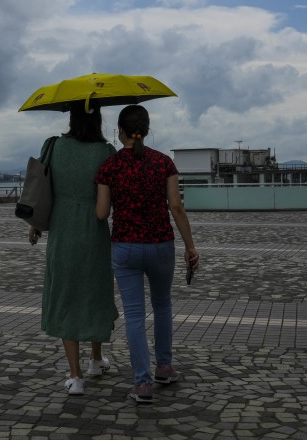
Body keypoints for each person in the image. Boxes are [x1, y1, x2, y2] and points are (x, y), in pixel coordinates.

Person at [95, 104, 199, 403]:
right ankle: (165, 367)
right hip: (161, 245)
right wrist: (190, 245)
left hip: (125, 247)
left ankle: (142, 384)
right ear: (147, 130)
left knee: (135, 314)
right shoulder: (163, 163)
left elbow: (102, 214)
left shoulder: (110, 166)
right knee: (163, 305)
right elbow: (176, 207)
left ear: (120, 131)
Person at [27, 100, 119, 396]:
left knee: (66, 293)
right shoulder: (105, 152)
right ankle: (95, 359)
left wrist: (35, 225)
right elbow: (113, 196)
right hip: (94, 229)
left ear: (72, 117)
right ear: (98, 119)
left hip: (62, 228)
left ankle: (75, 376)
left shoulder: (53, 146)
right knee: (94, 291)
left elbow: (42, 191)